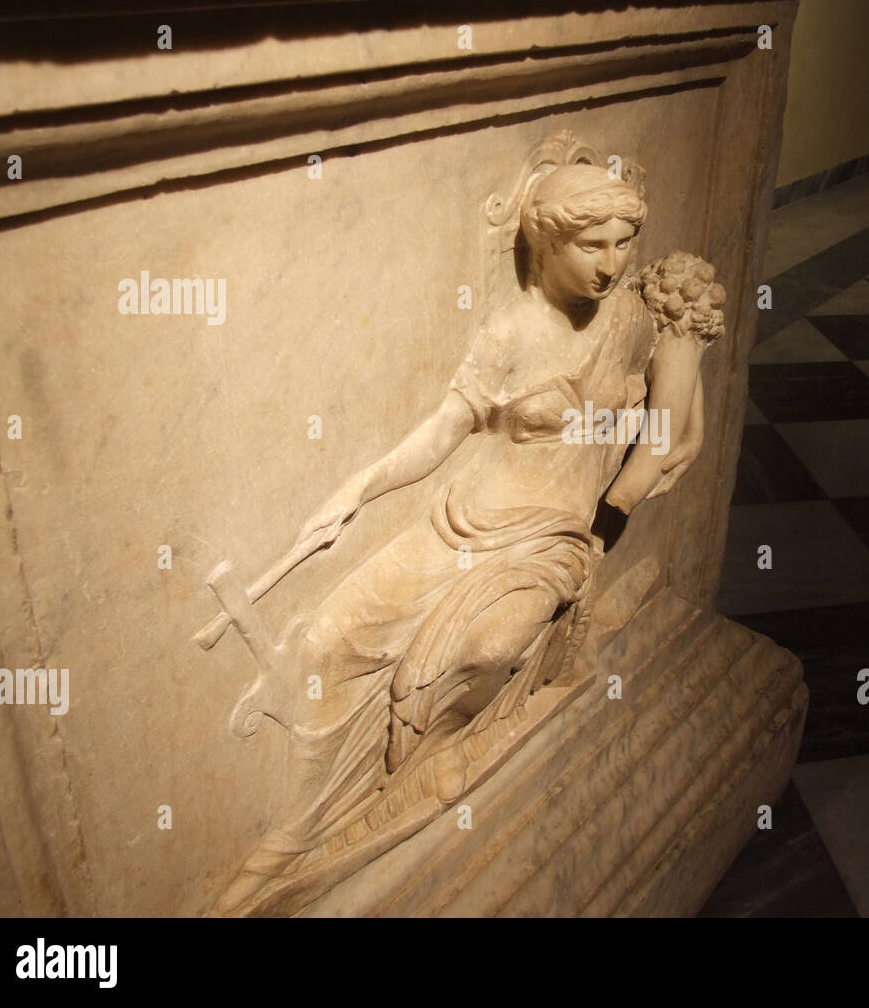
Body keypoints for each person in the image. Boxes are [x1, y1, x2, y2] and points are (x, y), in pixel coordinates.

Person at [217, 163, 718, 911]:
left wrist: (630, 477)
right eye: (592, 245)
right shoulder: (509, 331)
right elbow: (442, 433)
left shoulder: (634, 324)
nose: (612, 264)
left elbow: (670, 439)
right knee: (325, 637)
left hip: (552, 537)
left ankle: (412, 768)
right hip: (467, 519)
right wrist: (357, 489)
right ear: (546, 243)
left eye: (622, 245)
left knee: (486, 645)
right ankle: (294, 830)